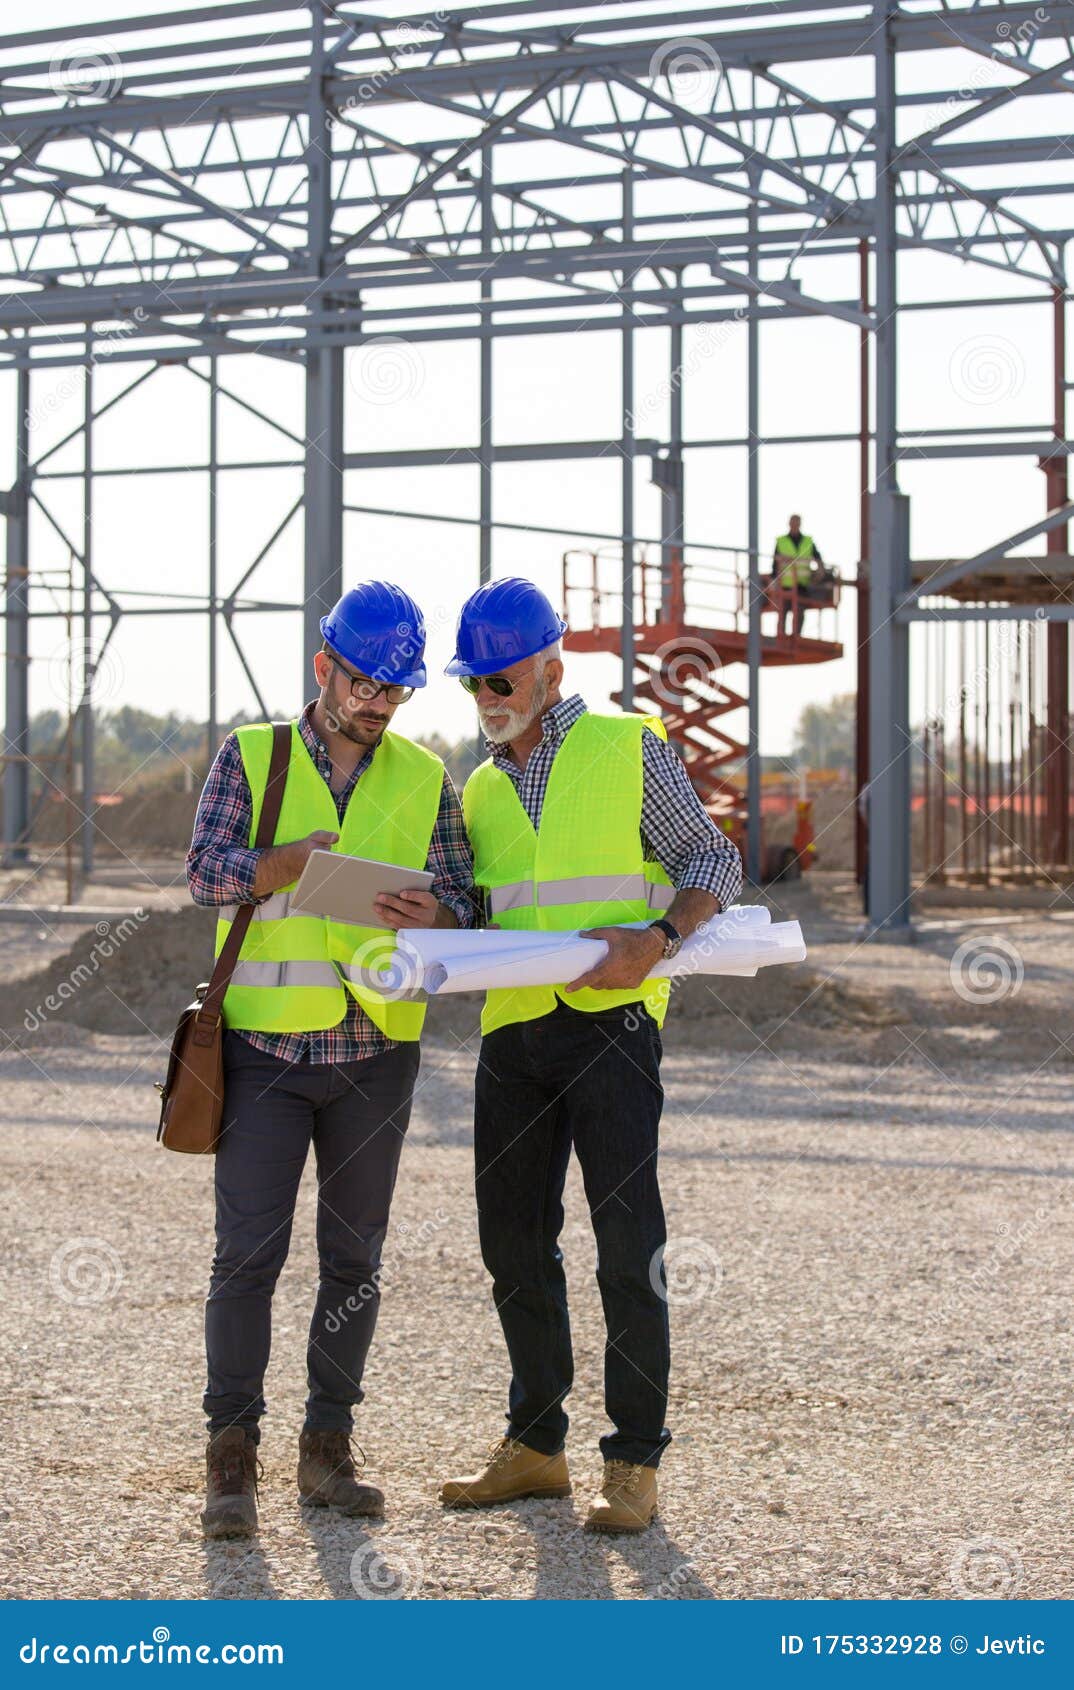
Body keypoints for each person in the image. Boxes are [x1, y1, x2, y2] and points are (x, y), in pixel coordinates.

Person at [438, 577, 743, 1533]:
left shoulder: (627, 746)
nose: (490, 695)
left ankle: (635, 1461)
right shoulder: (479, 787)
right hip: (512, 1034)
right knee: (514, 1245)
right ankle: (535, 1447)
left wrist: (658, 939)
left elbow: (714, 862)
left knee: (627, 1247)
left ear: (549, 667)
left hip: (612, 1029)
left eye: (502, 675)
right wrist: (437, 917)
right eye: (475, 682)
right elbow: (495, 913)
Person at [186, 580, 477, 1541]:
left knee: (354, 1260)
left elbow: (466, 904)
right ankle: (232, 1461)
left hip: (375, 1055)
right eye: (365, 684)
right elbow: (204, 874)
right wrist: (284, 865)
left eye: (396, 691)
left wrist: (438, 914)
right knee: (247, 1259)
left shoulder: (426, 777)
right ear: (325, 669)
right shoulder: (253, 756)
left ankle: (327, 1451)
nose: (380, 703)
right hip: (264, 1051)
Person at [772, 514, 825, 637]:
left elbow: (818, 558)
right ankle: (781, 636)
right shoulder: (781, 541)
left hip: (802, 584)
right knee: (783, 610)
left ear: (800, 524)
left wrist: (820, 571)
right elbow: (775, 563)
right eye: (793, 522)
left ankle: (796, 636)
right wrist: (774, 579)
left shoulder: (808, 541)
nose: (794, 525)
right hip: (785, 584)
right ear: (789, 523)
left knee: (799, 610)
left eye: (797, 522)